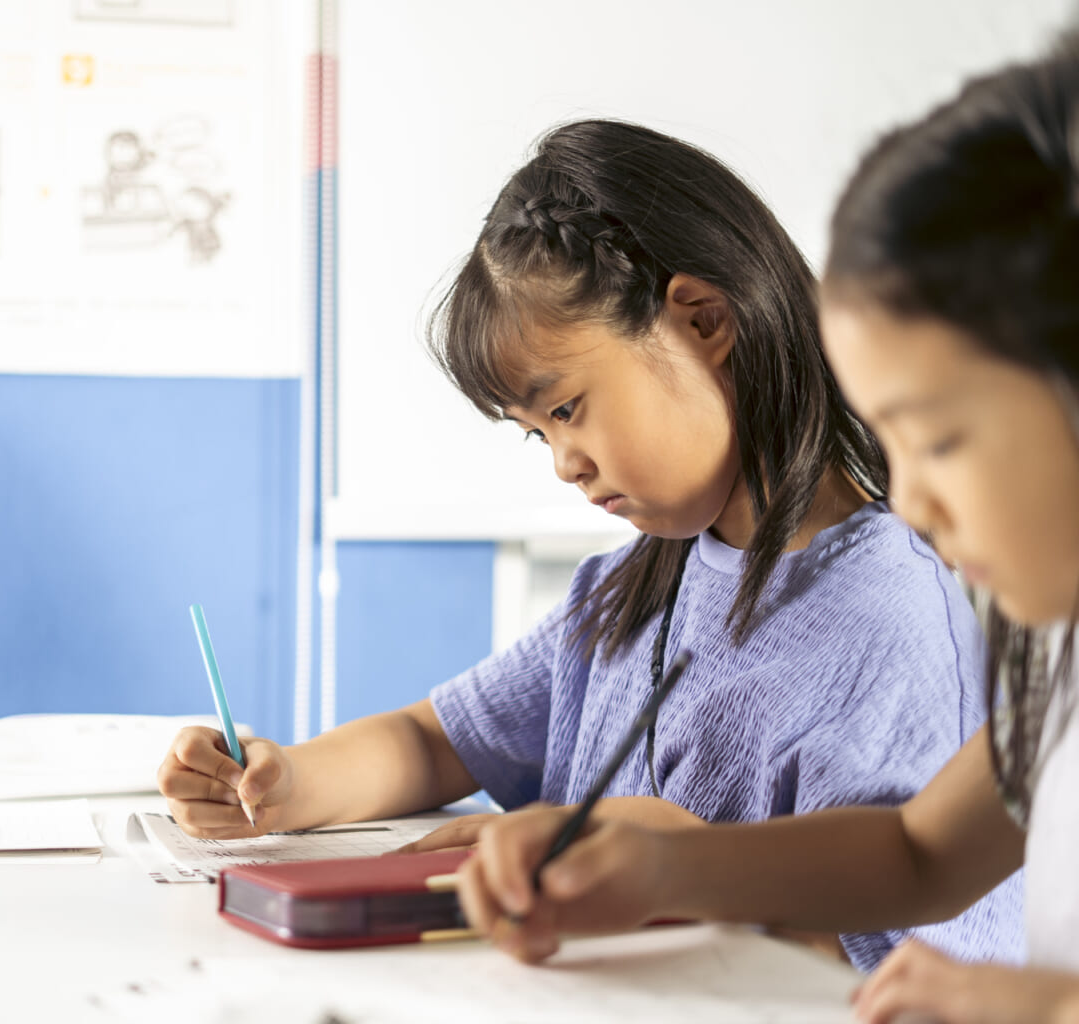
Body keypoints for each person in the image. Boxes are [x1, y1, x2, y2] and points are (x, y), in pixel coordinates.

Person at [157, 119, 1021, 970]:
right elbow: (436, 740)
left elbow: (894, 964)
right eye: (537, 434)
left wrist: (672, 863)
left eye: (566, 408)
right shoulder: (625, 591)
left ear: (704, 322)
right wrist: (281, 786)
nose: (566, 462)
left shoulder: (888, 621)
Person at [454, 42, 1079, 1022]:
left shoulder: (893, 601)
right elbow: (918, 852)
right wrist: (664, 866)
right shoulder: (1060, 665)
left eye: (943, 438)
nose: (909, 502)